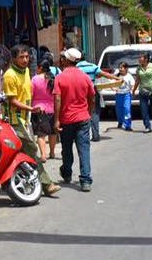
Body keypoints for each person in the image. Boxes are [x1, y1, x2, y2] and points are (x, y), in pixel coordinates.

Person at [2, 45, 60, 196]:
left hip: (26, 119)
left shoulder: (27, 71)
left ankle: (7, 183)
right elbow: (13, 101)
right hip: (15, 120)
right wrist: (32, 109)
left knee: (20, 153)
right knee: (32, 150)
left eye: (27, 57)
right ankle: (47, 184)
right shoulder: (9, 75)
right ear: (13, 58)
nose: (25, 60)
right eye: (21, 57)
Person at [53, 43, 96, 191]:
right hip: (83, 118)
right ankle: (85, 180)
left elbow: (57, 99)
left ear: (66, 60)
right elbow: (92, 97)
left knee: (66, 148)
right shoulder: (85, 77)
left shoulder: (60, 78)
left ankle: (66, 172)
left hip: (66, 120)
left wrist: (56, 119)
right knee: (84, 149)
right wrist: (89, 112)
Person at [72, 48, 118, 142]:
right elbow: (104, 74)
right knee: (94, 114)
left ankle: (81, 136)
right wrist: (116, 78)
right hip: (92, 92)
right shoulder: (92, 66)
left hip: (79, 93)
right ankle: (96, 135)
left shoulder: (75, 68)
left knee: (80, 113)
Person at [132, 52, 152, 133]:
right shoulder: (139, 68)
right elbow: (137, 80)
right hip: (143, 92)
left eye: (141, 58)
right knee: (144, 110)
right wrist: (133, 90)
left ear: (146, 59)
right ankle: (147, 126)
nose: (139, 59)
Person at [31, 59, 56, 162]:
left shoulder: (35, 79)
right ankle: (52, 152)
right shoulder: (53, 79)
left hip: (38, 109)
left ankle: (43, 155)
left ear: (40, 68)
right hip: (52, 108)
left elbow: (31, 94)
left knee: (41, 133)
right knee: (52, 132)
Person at [114, 62, 134, 131]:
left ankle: (128, 125)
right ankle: (120, 122)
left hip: (126, 95)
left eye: (121, 68)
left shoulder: (129, 76)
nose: (120, 69)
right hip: (118, 95)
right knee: (119, 110)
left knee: (127, 109)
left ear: (126, 69)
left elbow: (132, 85)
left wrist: (132, 91)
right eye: (119, 67)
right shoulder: (117, 76)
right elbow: (111, 84)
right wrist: (114, 89)